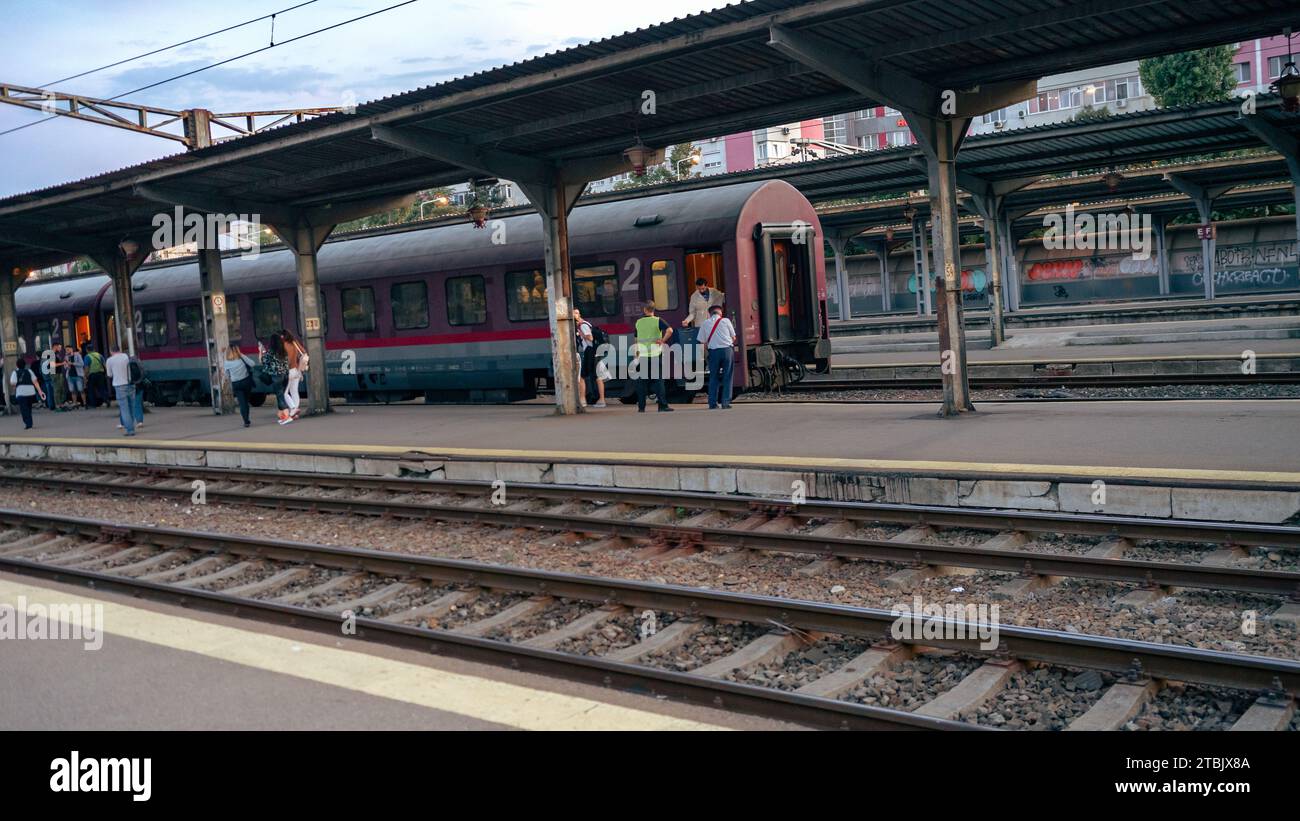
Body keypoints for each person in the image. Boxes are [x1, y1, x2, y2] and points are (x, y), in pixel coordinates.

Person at [633, 302, 673, 413]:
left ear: (645, 310)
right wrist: (662, 341)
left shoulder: (638, 322)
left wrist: (637, 353)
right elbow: (670, 330)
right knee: (658, 381)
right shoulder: (658, 320)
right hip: (656, 354)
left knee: (642, 383)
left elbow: (636, 339)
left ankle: (641, 407)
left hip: (643, 355)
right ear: (653, 310)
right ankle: (662, 406)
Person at [699, 304, 738, 410]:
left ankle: (712, 403)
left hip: (714, 352)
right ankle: (725, 402)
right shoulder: (726, 321)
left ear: (709, 314)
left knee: (713, 377)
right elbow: (733, 337)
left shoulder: (705, 323)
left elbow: (702, 342)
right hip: (727, 351)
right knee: (727, 376)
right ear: (720, 313)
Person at [572, 307, 603, 408]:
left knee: (584, 376)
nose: (575, 315)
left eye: (576, 313)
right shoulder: (584, 324)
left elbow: (590, 337)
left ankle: (585, 400)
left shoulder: (583, 325)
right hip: (593, 351)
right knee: (595, 376)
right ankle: (599, 400)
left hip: (590, 351)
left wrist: (582, 334)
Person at [223, 345, 258, 427]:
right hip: (246, 382)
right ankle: (247, 418)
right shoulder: (241, 358)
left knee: (242, 403)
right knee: (246, 402)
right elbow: (252, 364)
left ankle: (246, 421)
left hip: (236, 384)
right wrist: (241, 354)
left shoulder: (226, 362)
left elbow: (227, 375)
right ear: (237, 350)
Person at [104, 343, 135, 436]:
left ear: (111, 351)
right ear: (119, 349)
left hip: (119, 386)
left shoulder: (109, 360)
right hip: (130, 384)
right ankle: (131, 426)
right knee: (131, 407)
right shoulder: (125, 356)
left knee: (124, 408)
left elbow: (109, 374)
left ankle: (130, 430)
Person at [280, 328, 308, 424]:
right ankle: (295, 411)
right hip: (297, 370)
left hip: (289, 371)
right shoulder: (294, 342)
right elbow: (303, 352)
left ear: (282, 336)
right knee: (294, 391)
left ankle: (293, 409)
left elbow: (285, 361)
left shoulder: (284, 345)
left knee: (284, 393)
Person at [260, 333, 289, 423]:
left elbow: (264, 362)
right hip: (285, 376)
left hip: (276, 377)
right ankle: (281, 414)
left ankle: (286, 415)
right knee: (281, 395)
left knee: (280, 396)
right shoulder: (284, 352)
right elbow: (286, 364)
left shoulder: (270, 352)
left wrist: (261, 352)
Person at [9, 357, 45, 429]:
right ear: (25, 365)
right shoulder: (29, 371)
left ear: (17, 365)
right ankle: (29, 422)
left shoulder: (15, 372)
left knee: (24, 409)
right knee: (28, 408)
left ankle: (28, 424)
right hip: (30, 392)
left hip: (21, 393)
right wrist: (40, 391)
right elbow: (35, 382)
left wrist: (15, 386)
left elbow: (12, 383)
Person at [84, 343, 107, 408]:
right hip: (100, 374)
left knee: (91, 390)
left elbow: (86, 367)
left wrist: (85, 376)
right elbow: (104, 365)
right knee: (102, 388)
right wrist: (106, 373)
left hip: (92, 375)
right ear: (94, 349)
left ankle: (93, 404)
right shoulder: (99, 355)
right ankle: (106, 401)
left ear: (87, 350)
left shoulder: (87, 356)